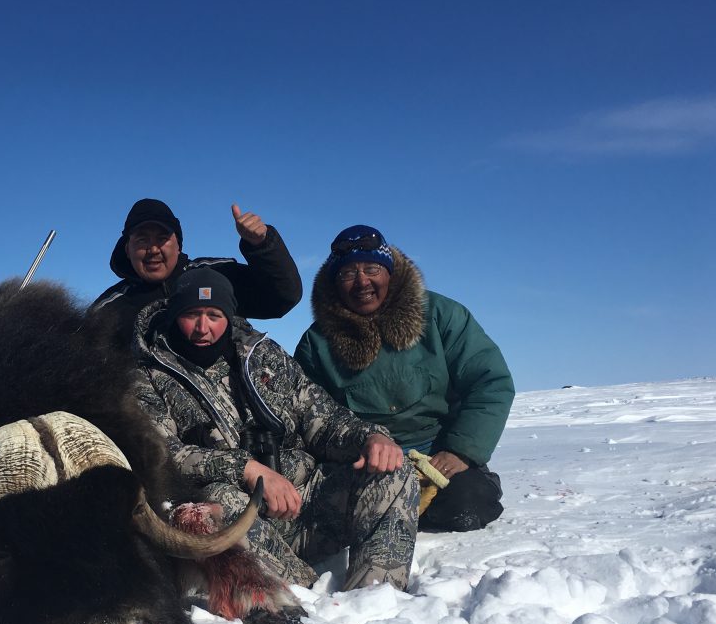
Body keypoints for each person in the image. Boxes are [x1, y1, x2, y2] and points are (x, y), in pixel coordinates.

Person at [133, 266, 419, 595]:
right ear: (174, 315)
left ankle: (376, 600)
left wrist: (371, 437)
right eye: (191, 314)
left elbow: (324, 419)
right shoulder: (146, 375)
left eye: (214, 314)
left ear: (229, 315)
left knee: (393, 472)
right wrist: (247, 469)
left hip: (302, 501)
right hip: (235, 512)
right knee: (210, 506)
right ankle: (306, 598)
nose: (202, 327)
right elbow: (160, 452)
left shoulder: (264, 356)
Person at [294, 225, 514, 533]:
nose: (362, 282)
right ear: (334, 284)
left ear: (391, 273)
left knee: (469, 503)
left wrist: (460, 451)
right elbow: (308, 416)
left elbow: (490, 382)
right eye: (347, 274)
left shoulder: (441, 315)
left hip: (438, 455)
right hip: (366, 460)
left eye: (372, 269)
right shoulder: (316, 343)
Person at [90, 198, 302, 348]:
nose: (153, 249)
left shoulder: (218, 276)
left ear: (178, 246)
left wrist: (261, 245)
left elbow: (282, 297)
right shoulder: (107, 310)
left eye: (162, 238)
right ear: (127, 249)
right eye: (142, 240)